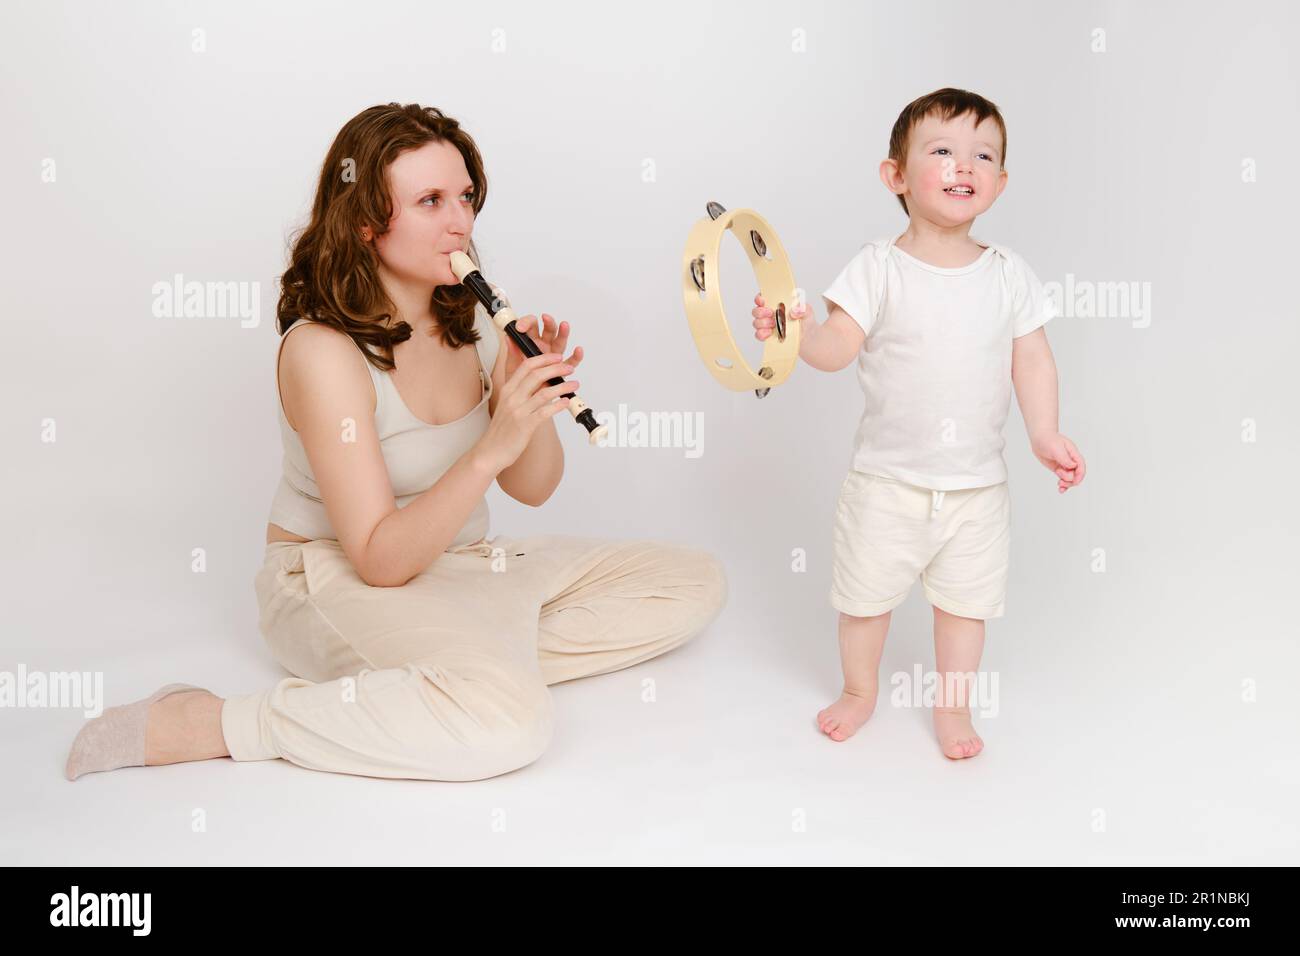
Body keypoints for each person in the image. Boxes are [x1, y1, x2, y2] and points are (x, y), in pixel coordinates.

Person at [66, 103, 727, 782]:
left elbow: (534, 488)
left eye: (465, 197)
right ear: (363, 221)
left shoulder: (477, 318)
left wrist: (523, 403)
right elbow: (379, 559)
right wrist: (490, 447)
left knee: (694, 582)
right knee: (509, 724)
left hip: (460, 565)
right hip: (331, 576)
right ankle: (218, 721)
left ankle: (461, 662)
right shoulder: (322, 351)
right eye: (430, 201)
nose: (460, 222)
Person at [751, 88, 1086, 759]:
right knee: (864, 600)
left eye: (982, 155)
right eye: (942, 150)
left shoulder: (1008, 274)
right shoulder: (878, 267)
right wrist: (794, 336)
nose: (964, 165)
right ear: (896, 176)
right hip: (887, 482)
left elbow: (1034, 361)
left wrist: (1044, 433)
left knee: (965, 607)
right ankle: (858, 690)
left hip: (975, 488)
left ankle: (953, 707)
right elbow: (837, 348)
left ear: (1000, 182)